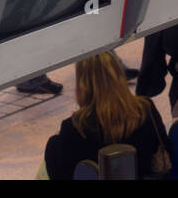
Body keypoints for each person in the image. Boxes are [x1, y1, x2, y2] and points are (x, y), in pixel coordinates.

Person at [43, 51, 167, 180]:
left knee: (53, 145)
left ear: (82, 84)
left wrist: (56, 144)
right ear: (119, 74)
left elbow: (63, 174)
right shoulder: (146, 109)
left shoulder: (74, 128)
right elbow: (165, 148)